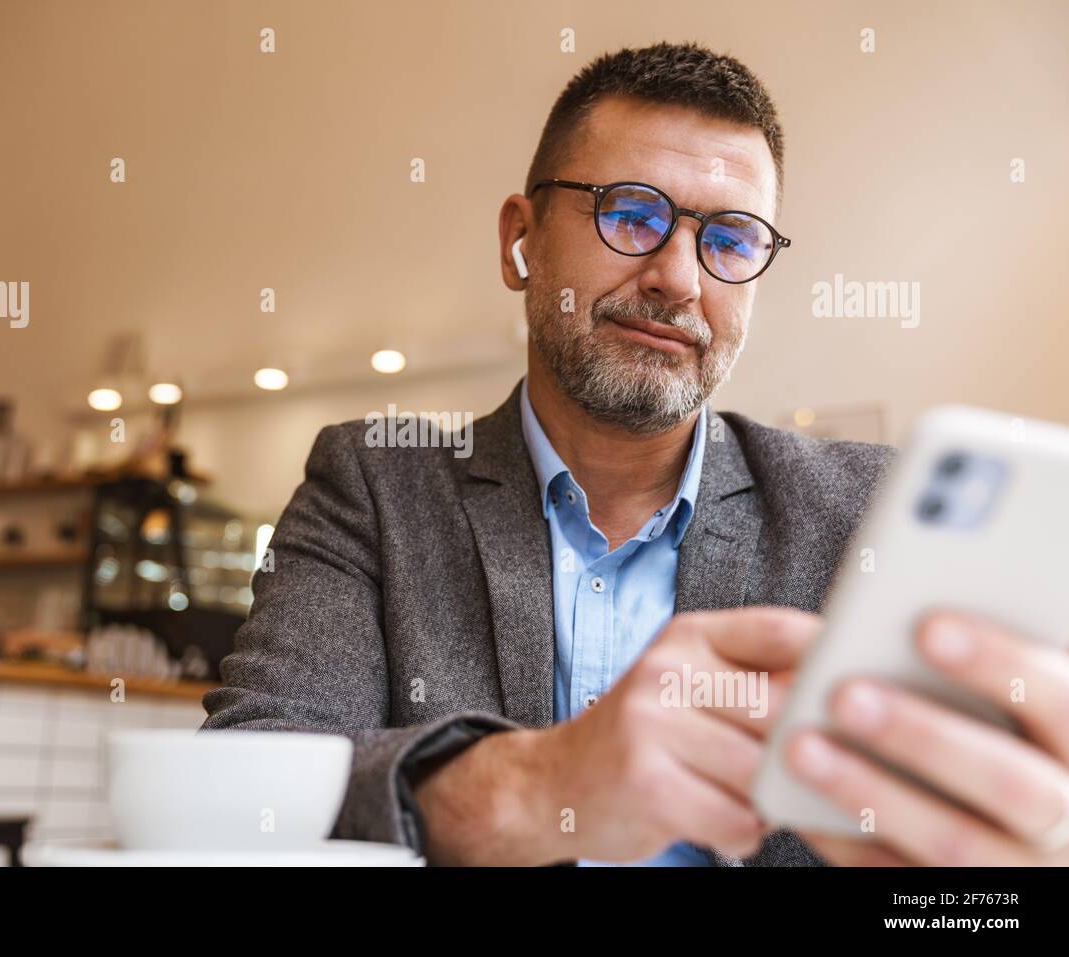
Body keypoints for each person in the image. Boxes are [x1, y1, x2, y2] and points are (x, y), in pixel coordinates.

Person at [203, 43, 1069, 867]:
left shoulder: (865, 514)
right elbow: (244, 789)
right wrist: (543, 782)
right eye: (629, 212)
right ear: (522, 240)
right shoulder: (375, 487)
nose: (679, 278)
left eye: (729, 238)